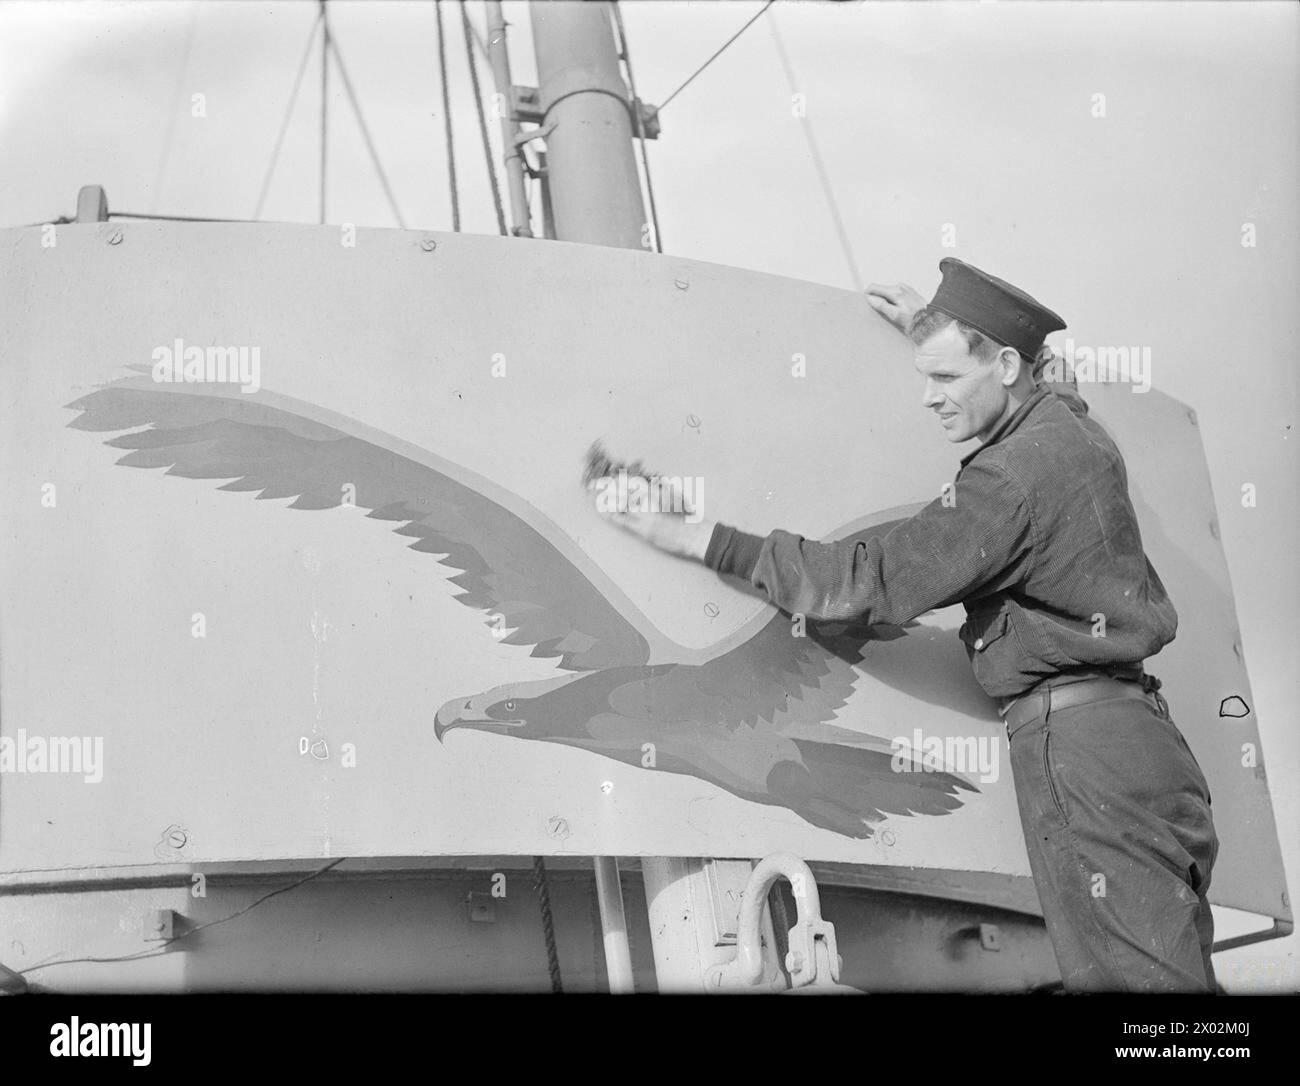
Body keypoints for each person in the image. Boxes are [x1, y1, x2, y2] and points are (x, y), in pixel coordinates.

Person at [595, 258, 1219, 993]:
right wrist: (935, 328)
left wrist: (701, 540)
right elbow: (1059, 383)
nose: (929, 399)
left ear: (1009, 366)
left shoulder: (1010, 480)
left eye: (948, 379)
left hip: (1083, 760)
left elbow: (867, 583)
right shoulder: (1075, 432)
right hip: (1143, 746)